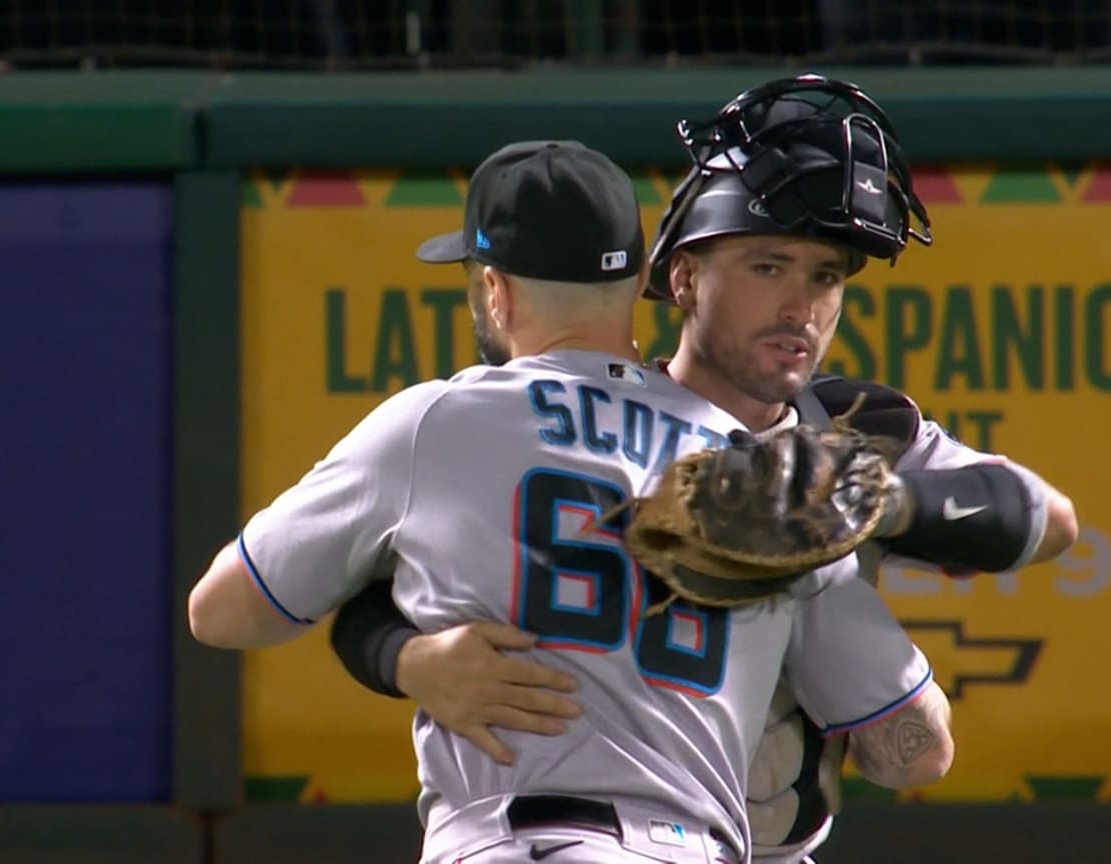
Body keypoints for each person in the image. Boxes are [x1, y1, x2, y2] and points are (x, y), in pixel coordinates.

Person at [327, 75, 1079, 863]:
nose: (801, 306)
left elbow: (1046, 518)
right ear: (682, 277)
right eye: (767, 267)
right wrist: (405, 659)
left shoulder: (856, 425)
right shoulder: (572, 422)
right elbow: (368, 590)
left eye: (826, 276)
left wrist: (872, 507)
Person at [189, 137, 953, 864]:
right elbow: (916, 753)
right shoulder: (759, 468)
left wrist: (401, 650)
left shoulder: (436, 424)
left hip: (511, 840)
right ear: (639, 284)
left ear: (495, 289)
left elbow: (222, 612)